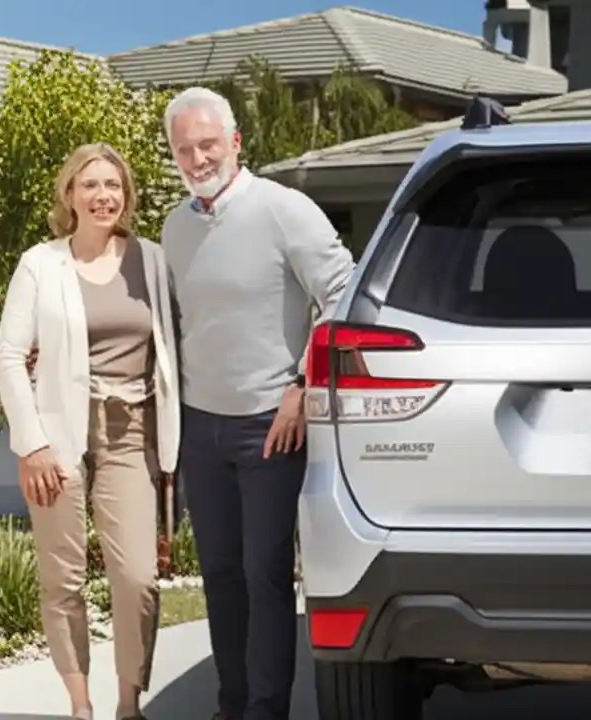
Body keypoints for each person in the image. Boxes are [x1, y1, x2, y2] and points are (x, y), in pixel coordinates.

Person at [160, 87, 355, 720]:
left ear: (236, 142)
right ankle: (232, 704)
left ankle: (268, 709)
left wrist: (301, 386)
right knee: (218, 575)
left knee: (264, 574)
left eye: (208, 144)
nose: (197, 158)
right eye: (184, 149)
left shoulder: (283, 209)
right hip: (201, 426)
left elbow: (342, 293)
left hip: (271, 427)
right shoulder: (175, 226)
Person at [0, 142, 182, 720]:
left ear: (126, 195)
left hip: (130, 433)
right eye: (90, 185)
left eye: (113, 186)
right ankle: (81, 706)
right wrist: (33, 443)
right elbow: (8, 354)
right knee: (63, 579)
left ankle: (129, 704)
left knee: (136, 578)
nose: (103, 196)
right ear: (69, 194)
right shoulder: (40, 263)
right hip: (57, 439)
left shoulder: (150, 260)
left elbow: (174, 345)